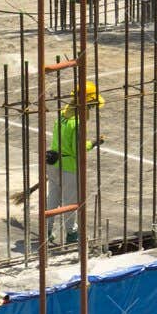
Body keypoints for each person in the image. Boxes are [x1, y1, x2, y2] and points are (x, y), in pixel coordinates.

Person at [45, 81, 104, 244]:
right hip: (68, 166)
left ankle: (47, 230)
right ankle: (71, 233)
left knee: (53, 197)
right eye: (91, 105)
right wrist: (92, 143)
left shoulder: (64, 114)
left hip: (53, 161)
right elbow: (76, 149)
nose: (91, 109)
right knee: (70, 201)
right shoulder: (77, 122)